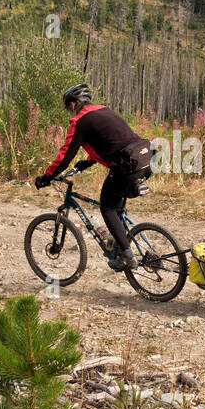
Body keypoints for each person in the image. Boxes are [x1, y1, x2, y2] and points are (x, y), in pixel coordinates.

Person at [35, 84, 153, 270]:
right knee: (117, 206)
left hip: (126, 168)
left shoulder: (80, 121)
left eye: (67, 108)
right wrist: (87, 162)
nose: (69, 112)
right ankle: (122, 243)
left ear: (73, 105)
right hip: (143, 161)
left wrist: (47, 176)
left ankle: (128, 258)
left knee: (107, 207)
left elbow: (65, 156)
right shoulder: (103, 110)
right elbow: (113, 141)